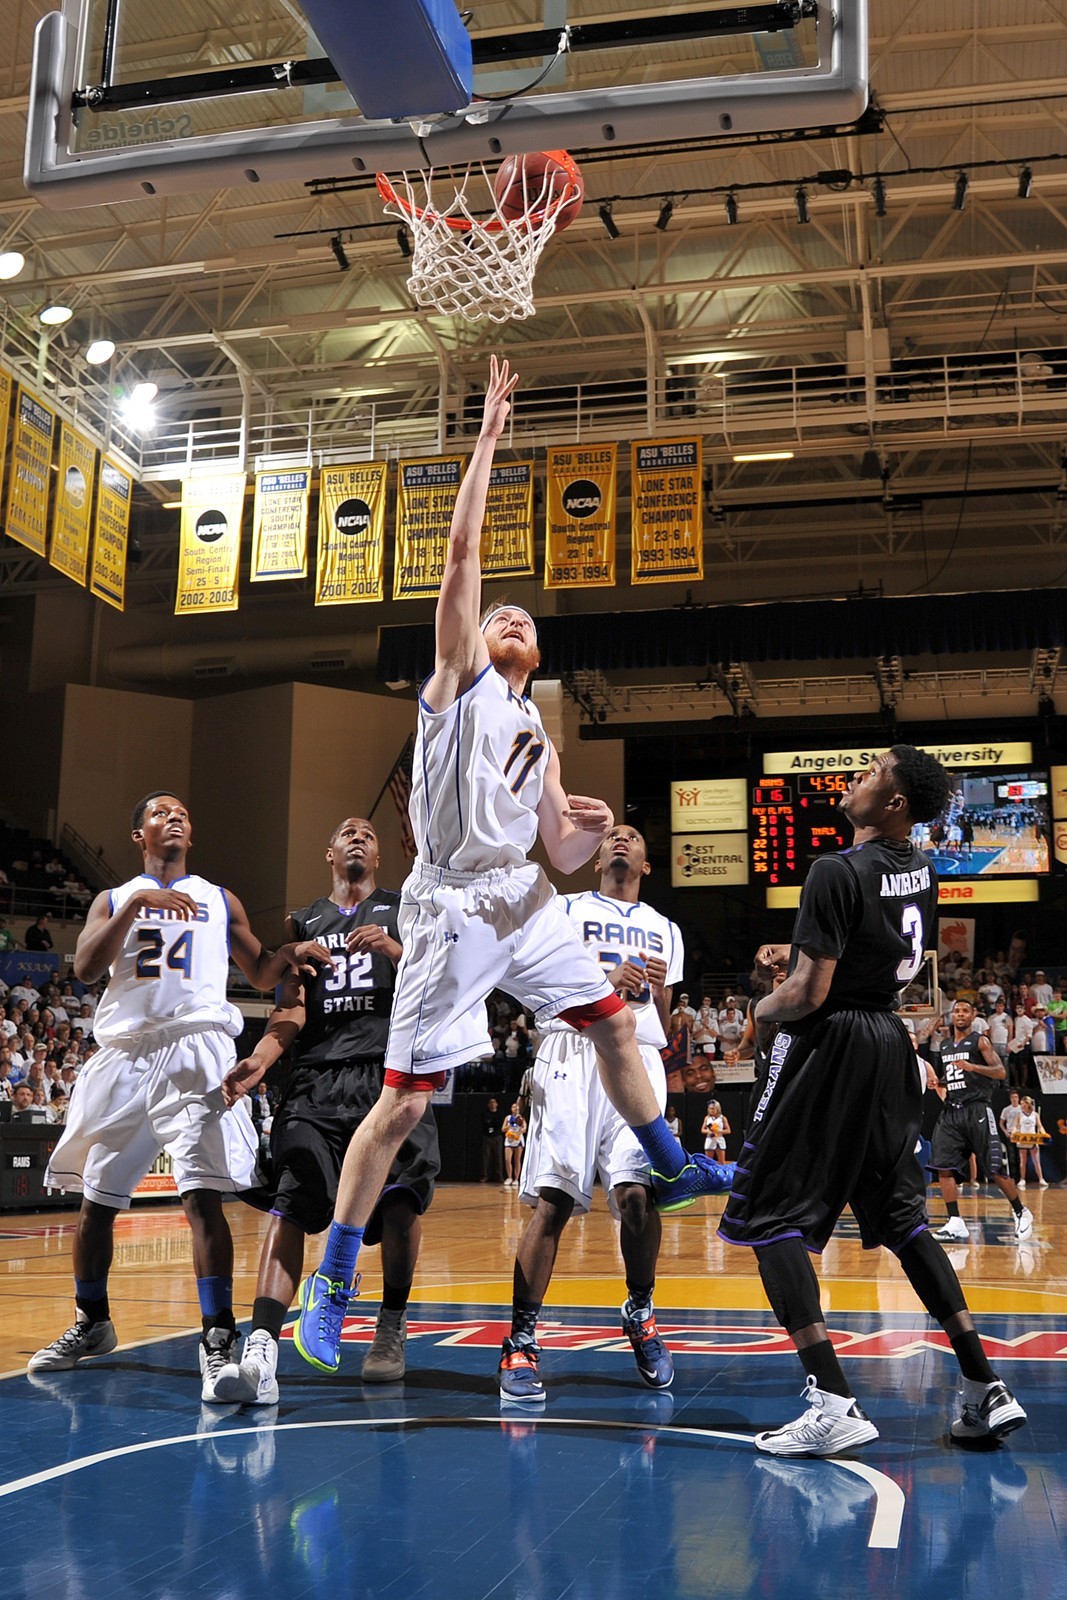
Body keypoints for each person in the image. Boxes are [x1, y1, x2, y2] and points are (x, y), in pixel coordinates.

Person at [293, 357, 728, 1376]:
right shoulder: (456, 683)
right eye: (500, 616)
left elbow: (563, 851)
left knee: (616, 1026)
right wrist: (486, 445)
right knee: (402, 1104)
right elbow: (460, 558)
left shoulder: (536, 726)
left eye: (525, 620)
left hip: (526, 897)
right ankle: (334, 1282)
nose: (511, 619)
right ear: (475, 638)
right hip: (448, 907)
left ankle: (668, 1163)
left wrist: (592, 824)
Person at [719, 747, 1027, 1454]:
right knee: (901, 1219)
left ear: (893, 803)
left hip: (831, 1043)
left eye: (868, 775)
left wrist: (761, 1005)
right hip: (889, 1040)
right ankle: (981, 1384)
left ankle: (831, 1400)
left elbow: (807, 994)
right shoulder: (921, 870)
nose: (854, 781)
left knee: (770, 1217)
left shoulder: (833, 869)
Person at [27, 792, 331, 1400]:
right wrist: (136, 903)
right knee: (95, 1206)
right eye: (161, 812)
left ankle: (217, 1338)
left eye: (184, 814)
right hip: (125, 1056)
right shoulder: (113, 899)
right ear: (138, 833)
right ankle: (93, 1322)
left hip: (196, 1051)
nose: (176, 818)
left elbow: (263, 972)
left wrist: (290, 953)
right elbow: (86, 968)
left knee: (200, 1198)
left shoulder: (219, 899)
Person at [215, 817, 439, 1401]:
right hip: (317, 1077)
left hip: (391, 1072)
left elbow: (445, 982)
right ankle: (261, 1347)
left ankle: (390, 1325)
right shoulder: (304, 923)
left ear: (381, 854)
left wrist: (397, 950)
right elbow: (291, 1010)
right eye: (346, 832)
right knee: (290, 1200)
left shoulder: (405, 909)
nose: (359, 835)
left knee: (399, 1203)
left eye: (368, 831)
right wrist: (260, 1059)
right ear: (330, 852)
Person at [500, 825, 686, 1402]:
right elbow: (526, 980)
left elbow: (665, 1018)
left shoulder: (667, 929)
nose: (624, 841)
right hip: (570, 1052)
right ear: (597, 857)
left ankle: (641, 1310)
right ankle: (520, 1341)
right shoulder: (563, 908)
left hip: (637, 1058)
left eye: (635, 836)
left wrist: (652, 996)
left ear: (648, 863)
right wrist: (601, 986)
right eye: (614, 837)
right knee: (555, 1202)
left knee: (637, 1195)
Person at [929, 1000, 1033, 1244]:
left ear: (973, 1015)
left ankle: (1021, 1211)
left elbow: (1000, 1072)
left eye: (965, 1011)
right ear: (952, 1016)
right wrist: (940, 1083)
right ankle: (955, 1221)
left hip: (977, 1109)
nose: (960, 1014)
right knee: (943, 1166)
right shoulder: (944, 1046)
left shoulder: (980, 1041)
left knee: (994, 1168)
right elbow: (956, 1075)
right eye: (956, 1011)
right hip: (952, 1111)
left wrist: (973, 1065)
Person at [1013, 1096, 1050, 1188]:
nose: (1021, 1105)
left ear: (1027, 1103)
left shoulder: (1035, 1115)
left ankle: (1041, 1179)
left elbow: (1040, 1126)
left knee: (1036, 1161)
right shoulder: (1019, 1115)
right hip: (1022, 1140)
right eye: (1021, 1104)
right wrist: (1013, 1133)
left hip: (1033, 1140)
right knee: (1023, 1161)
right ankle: (1022, 1179)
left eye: (1023, 1103)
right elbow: (1016, 1126)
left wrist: (1044, 1134)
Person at [999, 1090, 1023, 1184]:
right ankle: (1013, 1177)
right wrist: (1005, 1132)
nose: (1014, 1099)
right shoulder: (1007, 1109)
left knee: (1020, 1157)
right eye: (1013, 1097)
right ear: (1010, 1099)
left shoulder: (1021, 1109)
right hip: (1010, 1134)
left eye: (1016, 1097)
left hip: (1020, 1134)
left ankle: (1022, 1177)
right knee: (1011, 1156)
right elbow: (1001, 1122)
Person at [502, 1102, 526, 1188]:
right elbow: (503, 1129)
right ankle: (509, 1177)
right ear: (511, 1109)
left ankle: (516, 1179)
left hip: (517, 1140)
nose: (515, 1108)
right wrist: (508, 1127)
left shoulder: (521, 1118)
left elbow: (524, 1128)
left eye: (517, 1107)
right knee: (507, 1159)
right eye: (513, 1107)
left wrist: (519, 1132)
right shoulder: (508, 1118)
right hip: (509, 1140)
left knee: (517, 1160)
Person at [481, 1097, 504, 1183]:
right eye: (490, 1102)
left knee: (498, 1157)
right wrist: (491, 1123)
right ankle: (485, 1176)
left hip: (497, 1137)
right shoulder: (485, 1113)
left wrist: (491, 1123)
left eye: (494, 1102)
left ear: (497, 1104)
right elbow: (484, 1123)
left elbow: (499, 1123)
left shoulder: (500, 1114)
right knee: (486, 1158)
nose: (492, 1104)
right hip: (487, 1137)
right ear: (488, 1105)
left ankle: (499, 1176)